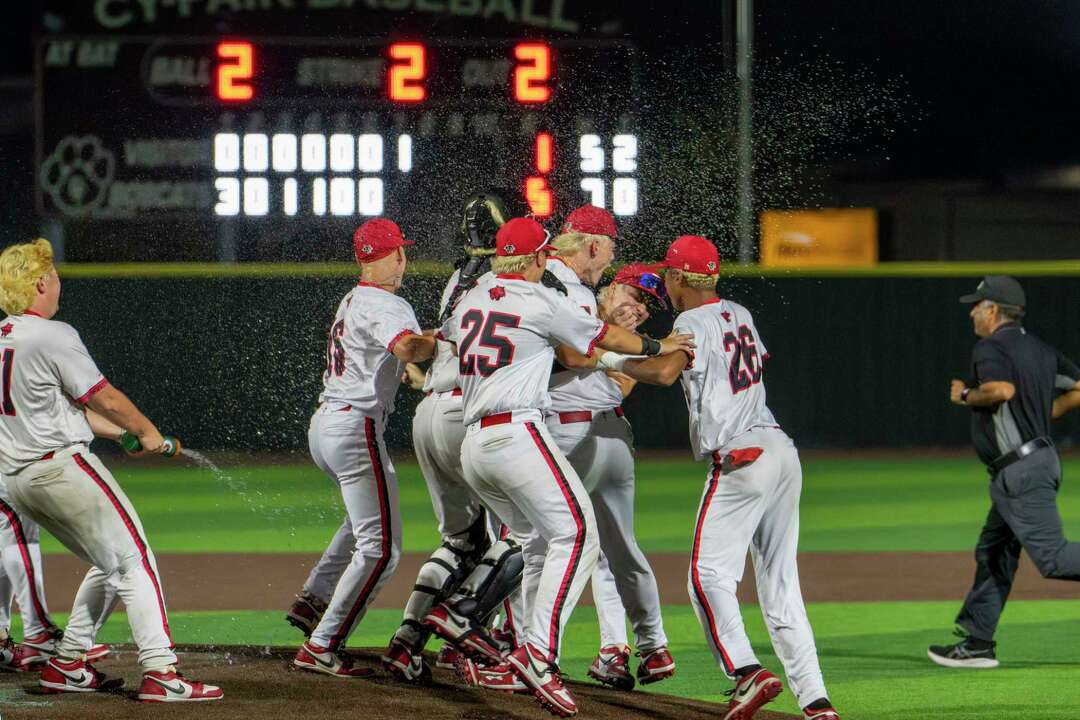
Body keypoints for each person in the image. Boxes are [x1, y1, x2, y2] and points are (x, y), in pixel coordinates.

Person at [427, 217, 693, 717]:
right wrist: (662, 346)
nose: (548, 261)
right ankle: (538, 657)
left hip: (474, 443)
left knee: (535, 542)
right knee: (580, 536)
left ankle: (497, 630)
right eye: (544, 255)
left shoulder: (473, 299)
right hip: (516, 433)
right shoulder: (540, 299)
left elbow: (436, 346)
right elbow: (604, 339)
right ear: (531, 260)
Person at [603, 235, 840, 720]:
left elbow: (666, 373)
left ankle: (746, 673)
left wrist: (605, 354)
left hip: (742, 454)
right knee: (780, 583)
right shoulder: (741, 312)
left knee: (706, 577)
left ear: (677, 278)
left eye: (666, 275)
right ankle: (816, 702)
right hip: (780, 449)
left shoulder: (691, 320)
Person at [0, 238, 222, 702]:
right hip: (60, 468)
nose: (58, 280)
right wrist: (146, 431)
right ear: (40, 282)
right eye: (54, 273)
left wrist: (122, 435)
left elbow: (62, 407)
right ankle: (161, 671)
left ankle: (68, 663)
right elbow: (105, 397)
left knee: (111, 562)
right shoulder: (53, 334)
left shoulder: (7, 337)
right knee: (135, 557)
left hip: (17, 480)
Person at [292, 219, 436, 678]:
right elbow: (410, 347)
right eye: (402, 253)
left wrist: (412, 367)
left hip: (326, 425)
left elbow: (395, 358)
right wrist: (448, 338)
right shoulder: (388, 303)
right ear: (397, 255)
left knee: (363, 522)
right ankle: (323, 644)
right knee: (382, 549)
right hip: (355, 427)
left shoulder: (353, 298)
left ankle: (314, 596)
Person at [541, 206, 675, 691]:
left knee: (585, 546)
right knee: (597, 550)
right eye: (635, 294)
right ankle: (621, 649)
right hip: (569, 435)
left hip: (592, 436)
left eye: (647, 305)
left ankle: (530, 647)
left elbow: (614, 387)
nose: (639, 306)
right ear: (610, 285)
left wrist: (625, 352)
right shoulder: (572, 305)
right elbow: (588, 362)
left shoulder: (623, 337)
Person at [381, 194, 509, 682]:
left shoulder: (459, 277)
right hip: (466, 410)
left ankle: (407, 641)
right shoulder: (510, 281)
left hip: (430, 410)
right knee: (522, 535)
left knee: (460, 540)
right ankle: (461, 616)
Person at [928, 276, 1080, 669]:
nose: (972, 313)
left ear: (993, 309)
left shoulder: (992, 345)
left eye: (977, 306)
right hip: (1034, 462)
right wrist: (1039, 416)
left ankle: (978, 642)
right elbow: (1077, 387)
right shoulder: (1039, 349)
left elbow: (1001, 391)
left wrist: (965, 395)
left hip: (1021, 471)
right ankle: (978, 644)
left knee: (1054, 558)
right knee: (994, 552)